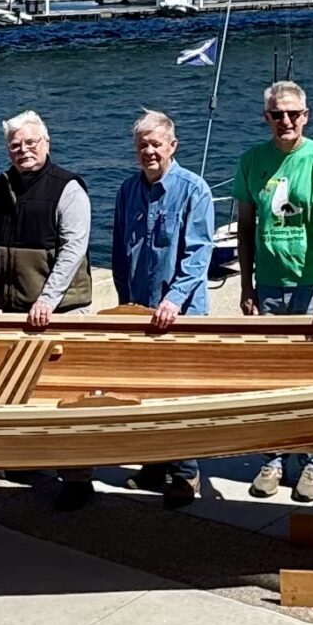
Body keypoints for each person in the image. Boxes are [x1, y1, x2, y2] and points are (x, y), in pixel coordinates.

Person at [235, 79, 313, 503]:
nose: (286, 121)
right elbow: (246, 229)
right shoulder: (250, 162)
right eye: (277, 114)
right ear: (266, 118)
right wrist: (247, 285)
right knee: (272, 376)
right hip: (269, 285)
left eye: (293, 114)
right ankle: (274, 456)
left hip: (311, 284)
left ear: (306, 116)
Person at [0, 111, 94, 510]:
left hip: (60, 310)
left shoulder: (68, 188)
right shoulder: (2, 185)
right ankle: (29, 460)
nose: (23, 150)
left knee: (65, 400)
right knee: (23, 394)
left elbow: (73, 248)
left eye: (31, 143)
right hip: (15, 311)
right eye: (16, 144)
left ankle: (78, 478)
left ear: (46, 143)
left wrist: (46, 300)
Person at [111, 109, 214, 509]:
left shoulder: (195, 190)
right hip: (139, 309)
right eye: (142, 145)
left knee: (178, 394)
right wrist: (124, 304)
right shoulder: (126, 191)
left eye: (156, 144)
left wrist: (174, 300)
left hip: (180, 312)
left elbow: (198, 253)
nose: (149, 152)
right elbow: (121, 251)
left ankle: (186, 473)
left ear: (172, 146)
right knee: (142, 392)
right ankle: (153, 462)